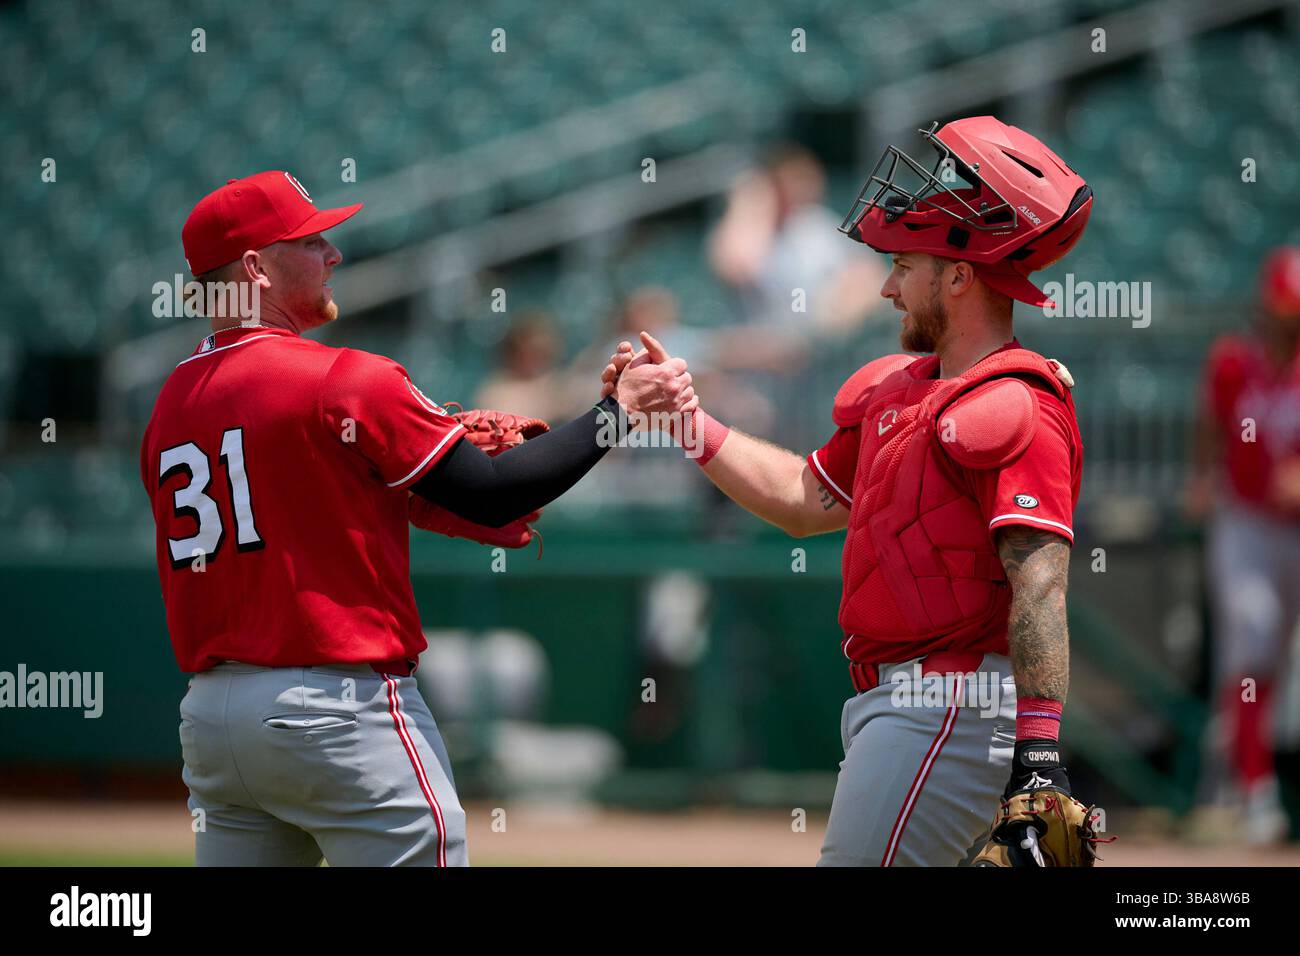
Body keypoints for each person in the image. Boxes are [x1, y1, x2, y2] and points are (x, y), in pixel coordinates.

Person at [140, 170, 694, 866]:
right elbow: (493, 493)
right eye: (312, 241)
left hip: (215, 721)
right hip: (338, 707)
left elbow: (300, 505)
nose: (334, 255)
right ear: (255, 267)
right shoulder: (342, 378)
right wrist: (618, 415)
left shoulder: (168, 406)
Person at [605, 117, 1097, 865]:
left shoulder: (1014, 403)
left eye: (905, 264)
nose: (887, 286)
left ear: (959, 276)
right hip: (895, 706)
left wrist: (1038, 752)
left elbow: (1039, 583)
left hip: (947, 712)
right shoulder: (900, 392)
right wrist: (684, 419)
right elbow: (805, 498)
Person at [1186, 246, 1300, 844]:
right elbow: (1209, 423)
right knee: (1252, 642)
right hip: (1248, 521)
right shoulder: (1235, 361)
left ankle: (1236, 780)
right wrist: (1201, 476)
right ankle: (1255, 791)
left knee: (1272, 663)